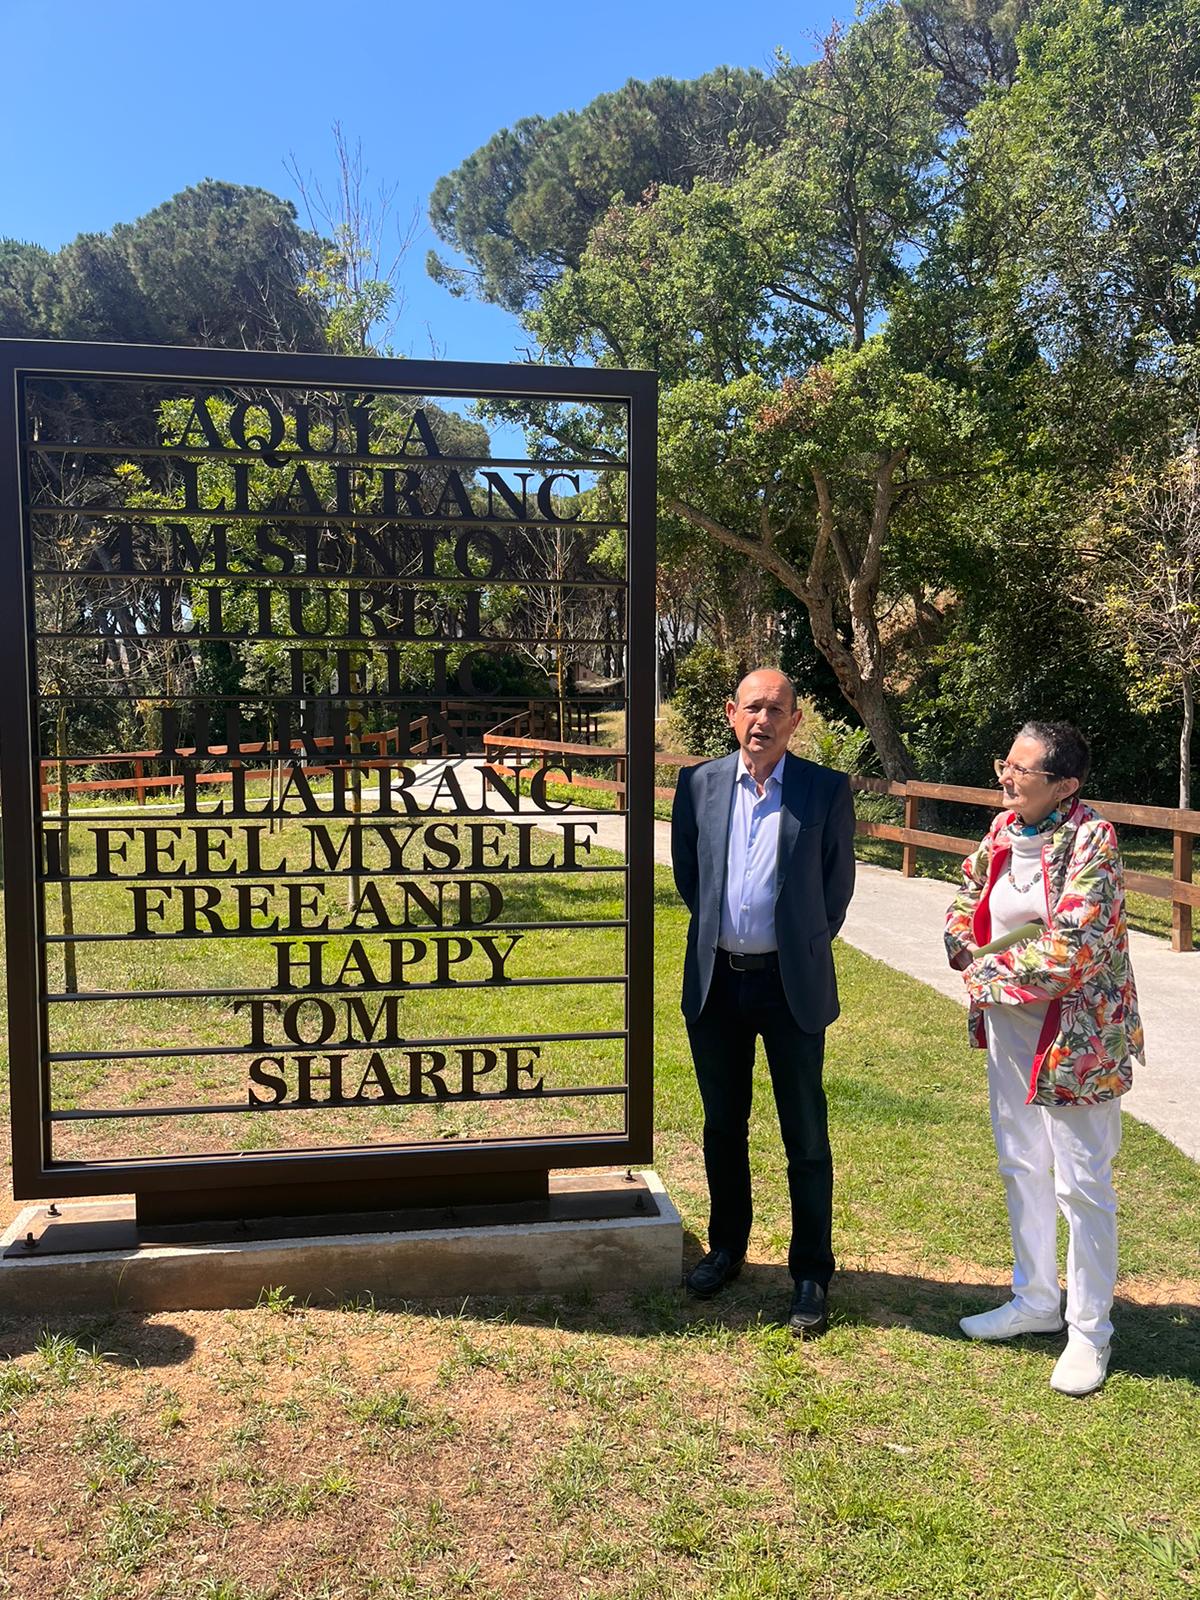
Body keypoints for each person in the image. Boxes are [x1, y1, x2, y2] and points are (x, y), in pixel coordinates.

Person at [944, 721, 1143, 1396]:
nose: (1006, 775)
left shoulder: (1093, 839)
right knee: (1020, 1162)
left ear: (1064, 785)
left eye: (1021, 770)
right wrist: (960, 943)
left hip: (1079, 1038)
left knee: (1082, 1185)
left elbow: (1072, 948)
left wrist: (981, 972)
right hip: (1010, 1030)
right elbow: (966, 898)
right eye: (1007, 762)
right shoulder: (1004, 830)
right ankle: (1034, 1300)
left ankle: (1090, 1334)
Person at [671, 668, 856, 1336]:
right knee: (723, 1126)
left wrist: (794, 946)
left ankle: (810, 1270)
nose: (764, 720)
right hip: (718, 980)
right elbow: (693, 880)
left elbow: (834, 893)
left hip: (789, 987)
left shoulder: (826, 790)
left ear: (795, 721)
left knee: (804, 1132)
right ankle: (727, 1248)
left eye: (777, 709)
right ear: (731, 713)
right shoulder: (697, 786)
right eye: (753, 707)